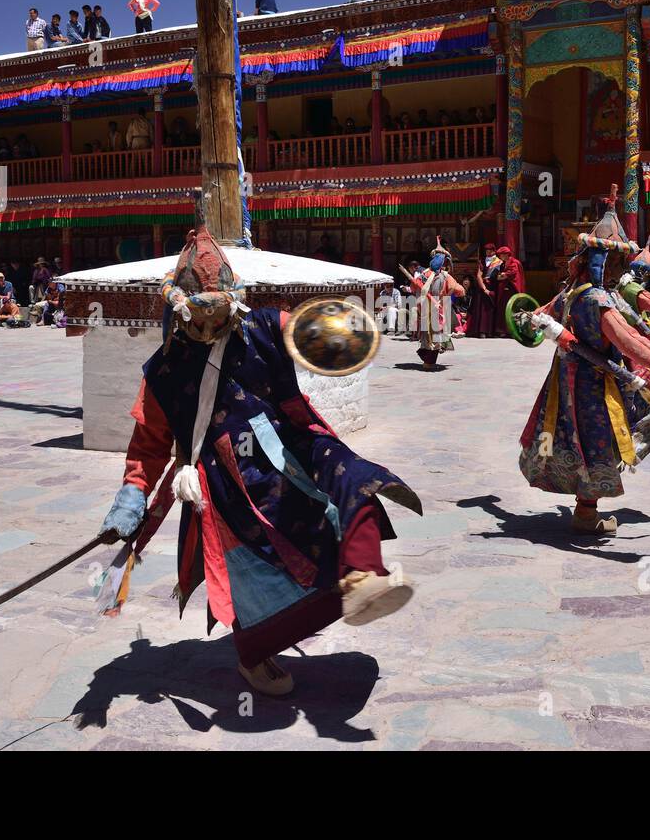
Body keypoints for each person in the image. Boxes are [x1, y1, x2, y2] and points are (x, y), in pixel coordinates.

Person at [95, 227, 423, 696]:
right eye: (198, 311)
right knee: (252, 568)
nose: (208, 323)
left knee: (357, 479)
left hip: (292, 445)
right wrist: (130, 501)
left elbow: (315, 332)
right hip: (223, 478)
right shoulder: (163, 370)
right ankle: (255, 652)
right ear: (178, 307)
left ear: (233, 298)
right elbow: (148, 446)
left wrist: (340, 333)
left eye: (217, 308)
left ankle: (364, 575)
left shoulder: (265, 327)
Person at [516, 200, 650, 535]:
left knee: (595, 433)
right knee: (600, 438)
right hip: (594, 383)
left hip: (578, 379)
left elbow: (538, 315)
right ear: (601, 262)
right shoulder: (596, 299)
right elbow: (627, 341)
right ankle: (586, 512)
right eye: (615, 262)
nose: (618, 269)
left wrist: (530, 319)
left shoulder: (573, 294)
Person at [409, 239, 465, 371]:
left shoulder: (422, 275)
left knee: (426, 336)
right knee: (436, 337)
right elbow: (460, 291)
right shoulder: (445, 276)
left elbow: (412, 288)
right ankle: (428, 361)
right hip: (438, 311)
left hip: (424, 310)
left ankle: (426, 357)